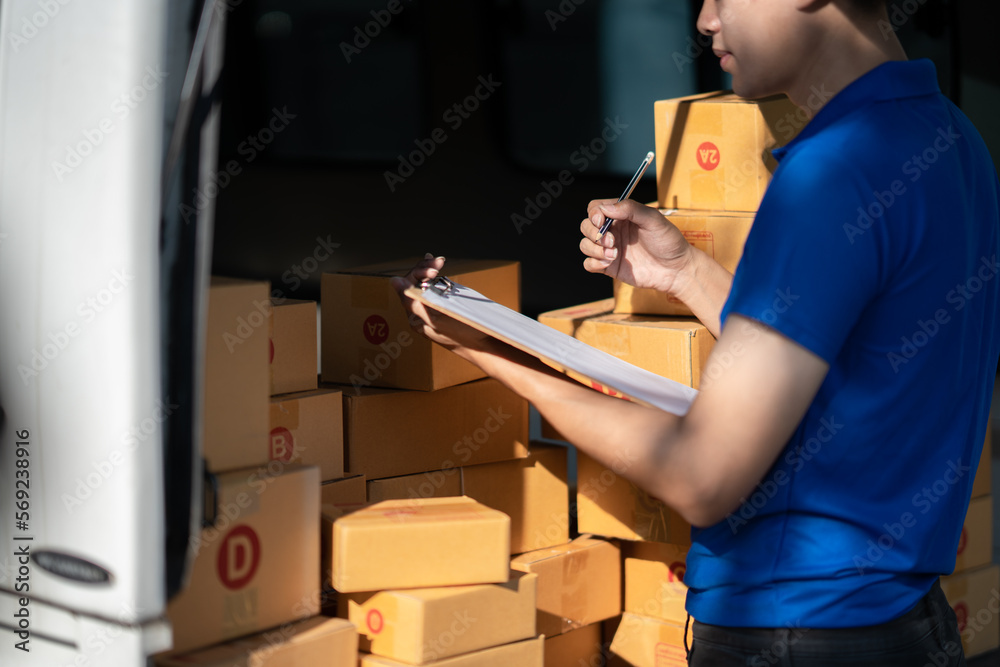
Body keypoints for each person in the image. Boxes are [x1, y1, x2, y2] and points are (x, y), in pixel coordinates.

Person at [392, 0, 1000, 664]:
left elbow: (701, 476)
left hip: (793, 629)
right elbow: (845, 368)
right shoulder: (950, 140)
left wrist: (493, 351)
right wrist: (687, 273)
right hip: (907, 622)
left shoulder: (831, 175)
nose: (705, 20)